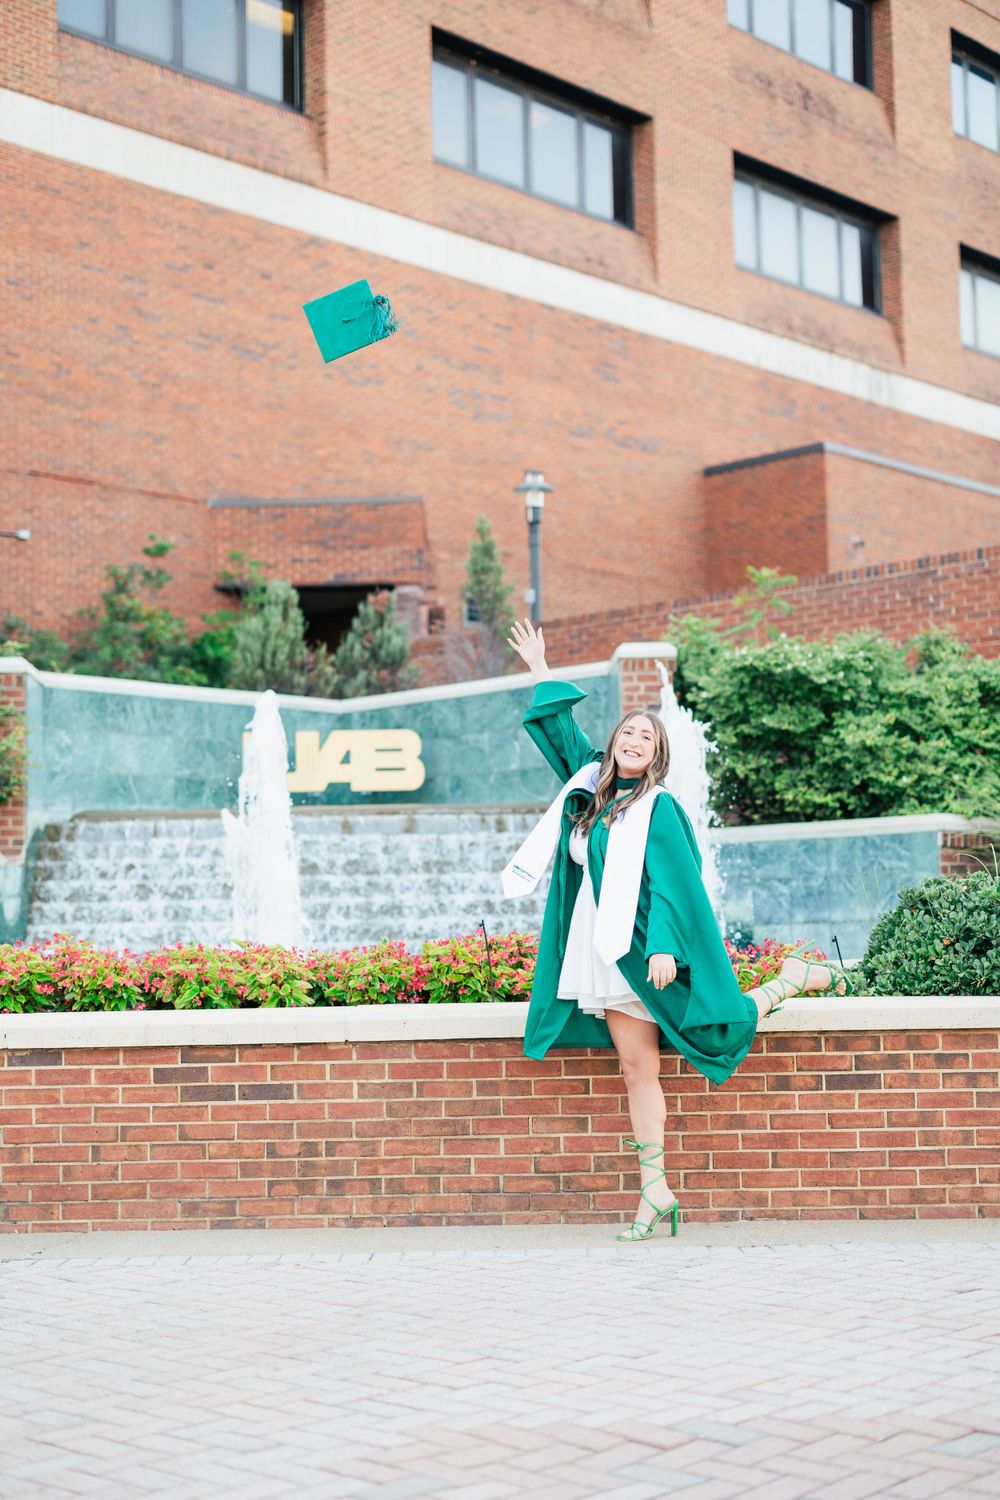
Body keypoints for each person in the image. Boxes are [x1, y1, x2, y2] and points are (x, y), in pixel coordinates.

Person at [504, 619, 849, 1242]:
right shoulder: (589, 790)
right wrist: (540, 669)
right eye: (627, 731)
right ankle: (654, 1193)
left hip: (641, 948)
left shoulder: (656, 808)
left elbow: (673, 881)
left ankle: (789, 982)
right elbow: (560, 733)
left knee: (710, 1028)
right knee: (638, 1071)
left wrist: (664, 942)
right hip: (602, 951)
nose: (635, 738)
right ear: (613, 746)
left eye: (647, 736)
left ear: (657, 756)